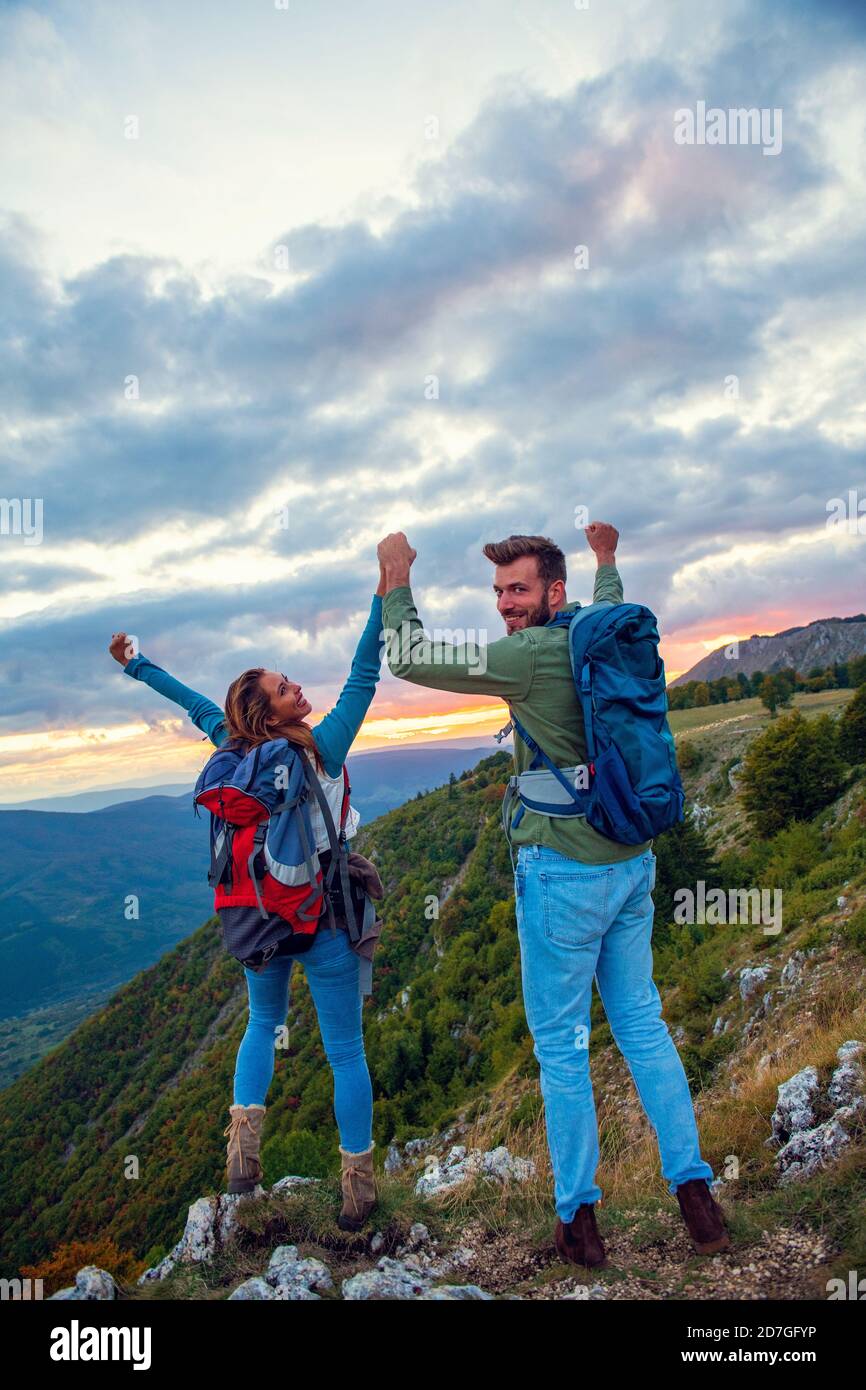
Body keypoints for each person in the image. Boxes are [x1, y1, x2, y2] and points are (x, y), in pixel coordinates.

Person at [376, 523, 729, 1266]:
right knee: (642, 1024)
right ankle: (696, 1198)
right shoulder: (596, 636)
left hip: (563, 874)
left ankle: (579, 1222)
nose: (506, 604)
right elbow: (610, 609)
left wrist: (397, 576)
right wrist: (607, 561)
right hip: (632, 863)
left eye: (518, 589)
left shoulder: (528, 656)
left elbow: (409, 656)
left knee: (563, 1049)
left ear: (551, 593)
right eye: (500, 591)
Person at [108, 561, 388, 1231]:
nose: (297, 686)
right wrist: (384, 592)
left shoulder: (233, 745)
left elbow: (191, 700)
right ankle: (356, 1192)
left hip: (256, 920)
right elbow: (363, 675)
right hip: (320, 916)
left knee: (262, 1024)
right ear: (271, 712)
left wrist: (136, 664)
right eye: (285, 687)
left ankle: (242, 1164)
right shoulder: (319, 747)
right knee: (344, 1051)